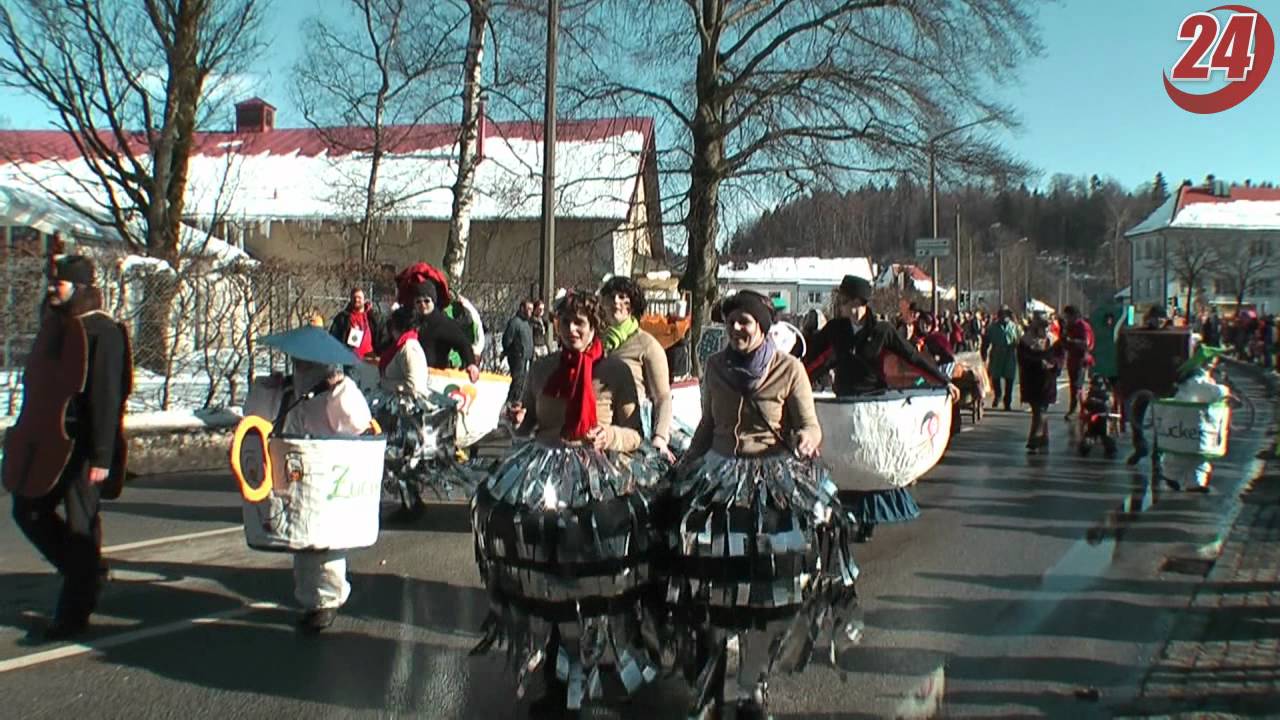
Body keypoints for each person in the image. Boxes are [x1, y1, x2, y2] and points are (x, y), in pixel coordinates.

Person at [671, 290, 859, 720]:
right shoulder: (715, 366)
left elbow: (809, 425)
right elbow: (707, 423)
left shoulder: (789, 369)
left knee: (761, 593)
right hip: (718, 477)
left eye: (745, 321)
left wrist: (807, 440)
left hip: (768, 481)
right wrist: (687, 465)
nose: (737, 328)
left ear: (761, 326)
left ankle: (750, 688)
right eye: (732, 321)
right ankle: (709, 681)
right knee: (709, 584)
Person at [471, 291, 660, 715]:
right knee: (545, 578)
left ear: (593, 326)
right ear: (555, 325)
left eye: (580, 323)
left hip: (596, 481)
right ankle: (556, 684)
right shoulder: (541, 368)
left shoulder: (613, 372)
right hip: (545, 479)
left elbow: (635, 434)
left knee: (589, 582)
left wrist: (609, 437)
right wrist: (518, 422)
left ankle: (591, 676)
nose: (572, 331)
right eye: (565, 323)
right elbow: (534, 424)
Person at [7, 256, 131, 641]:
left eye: (59, 283)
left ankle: (73, 613)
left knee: (81, 527)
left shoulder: (103, 332)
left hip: (82, 445)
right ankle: (86, 575)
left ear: (78, 286)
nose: (51, 289)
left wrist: (101, 456)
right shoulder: (58, 328)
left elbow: (107, 396)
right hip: (46, 441)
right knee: (27, 510)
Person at [804, 276, 957, 543]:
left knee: (869, 457)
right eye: (846, 303)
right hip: (845, 400)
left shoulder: (883, 330)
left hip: (873, 403)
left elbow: (911, 356)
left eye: (855, 303)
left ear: (864, 304)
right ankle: (844, 514)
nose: (850, 309)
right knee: (847, 459)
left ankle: (869, 519)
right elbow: (812, 357)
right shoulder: (836, 329)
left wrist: (942, 380)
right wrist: (788, 379)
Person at [599, 275, 674, 459]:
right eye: (611, 297)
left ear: (633, 305)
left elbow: (663, 397)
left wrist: (660, 437)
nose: (616, 301)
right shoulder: (596, 344)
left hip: (631, 440)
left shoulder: (647, 345)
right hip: (598, 439)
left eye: (623, 297)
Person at [408, 283, 481, 383]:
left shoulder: (444, 323)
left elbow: (463, 343)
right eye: (418, 302)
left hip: (436, 378)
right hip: (412, 375)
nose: (422, 305)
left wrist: (471, 363)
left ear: (433, 301)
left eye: (426, 301)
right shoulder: (411, 322)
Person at [1017, 313, 1063, 454]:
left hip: (1047, 380)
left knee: (1041, 409)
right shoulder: (1026, 341)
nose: (1044, 330)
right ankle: (1042, 437)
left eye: (1046, 327)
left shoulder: (1054, 341)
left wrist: (1053, 364)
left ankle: (1036, 439)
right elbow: (1022, 359)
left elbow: (1060, 358)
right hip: (1032, 380)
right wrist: (1038, 362)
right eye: (1041, 327)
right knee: (1038, 409)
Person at [328, 286, 383, 361]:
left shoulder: (373, 317)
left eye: (359, 297)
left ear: (364, 300)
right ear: (350, 300)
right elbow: (333, 339)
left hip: (370, 360)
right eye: (354, 298)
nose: (357, 300)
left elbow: (381, 336)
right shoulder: (342, 318)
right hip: (350, 361)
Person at [1059, 305, 1095, 419]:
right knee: (1074, 386)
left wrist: (1072, 341)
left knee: (1077, 386)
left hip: (1081, 359)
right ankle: (1081, 409)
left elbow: (1086, 344)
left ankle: (1076, 409)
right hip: (1072, 359)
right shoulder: (1070, 326)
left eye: (1068, 316)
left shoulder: (1083, 326)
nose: (1067, 319)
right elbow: (1064, 341)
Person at [983, 307, 1021, 411]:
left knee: (1009, 379)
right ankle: (998, 395)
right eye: (1002, 314)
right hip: (997, 354)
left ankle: (1007, 402)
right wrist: (984, 354)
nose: (1004, 317)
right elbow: (986, 341)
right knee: (995, 377)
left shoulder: (1015, 327)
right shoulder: (992, 327)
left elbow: (1021, 342)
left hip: (1010, 355)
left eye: (1006, 314)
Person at [500, 299, 534, 404]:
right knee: (517, 381)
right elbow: (507, 339)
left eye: (532, 310)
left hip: (527, 357)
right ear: (522, 308)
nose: (530, 312)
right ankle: (510, 402)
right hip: (517, 357)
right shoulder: (515, 322)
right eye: (528, 309)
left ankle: (518, 401)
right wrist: (511, 350)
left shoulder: (527, 323)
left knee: (523, 382)